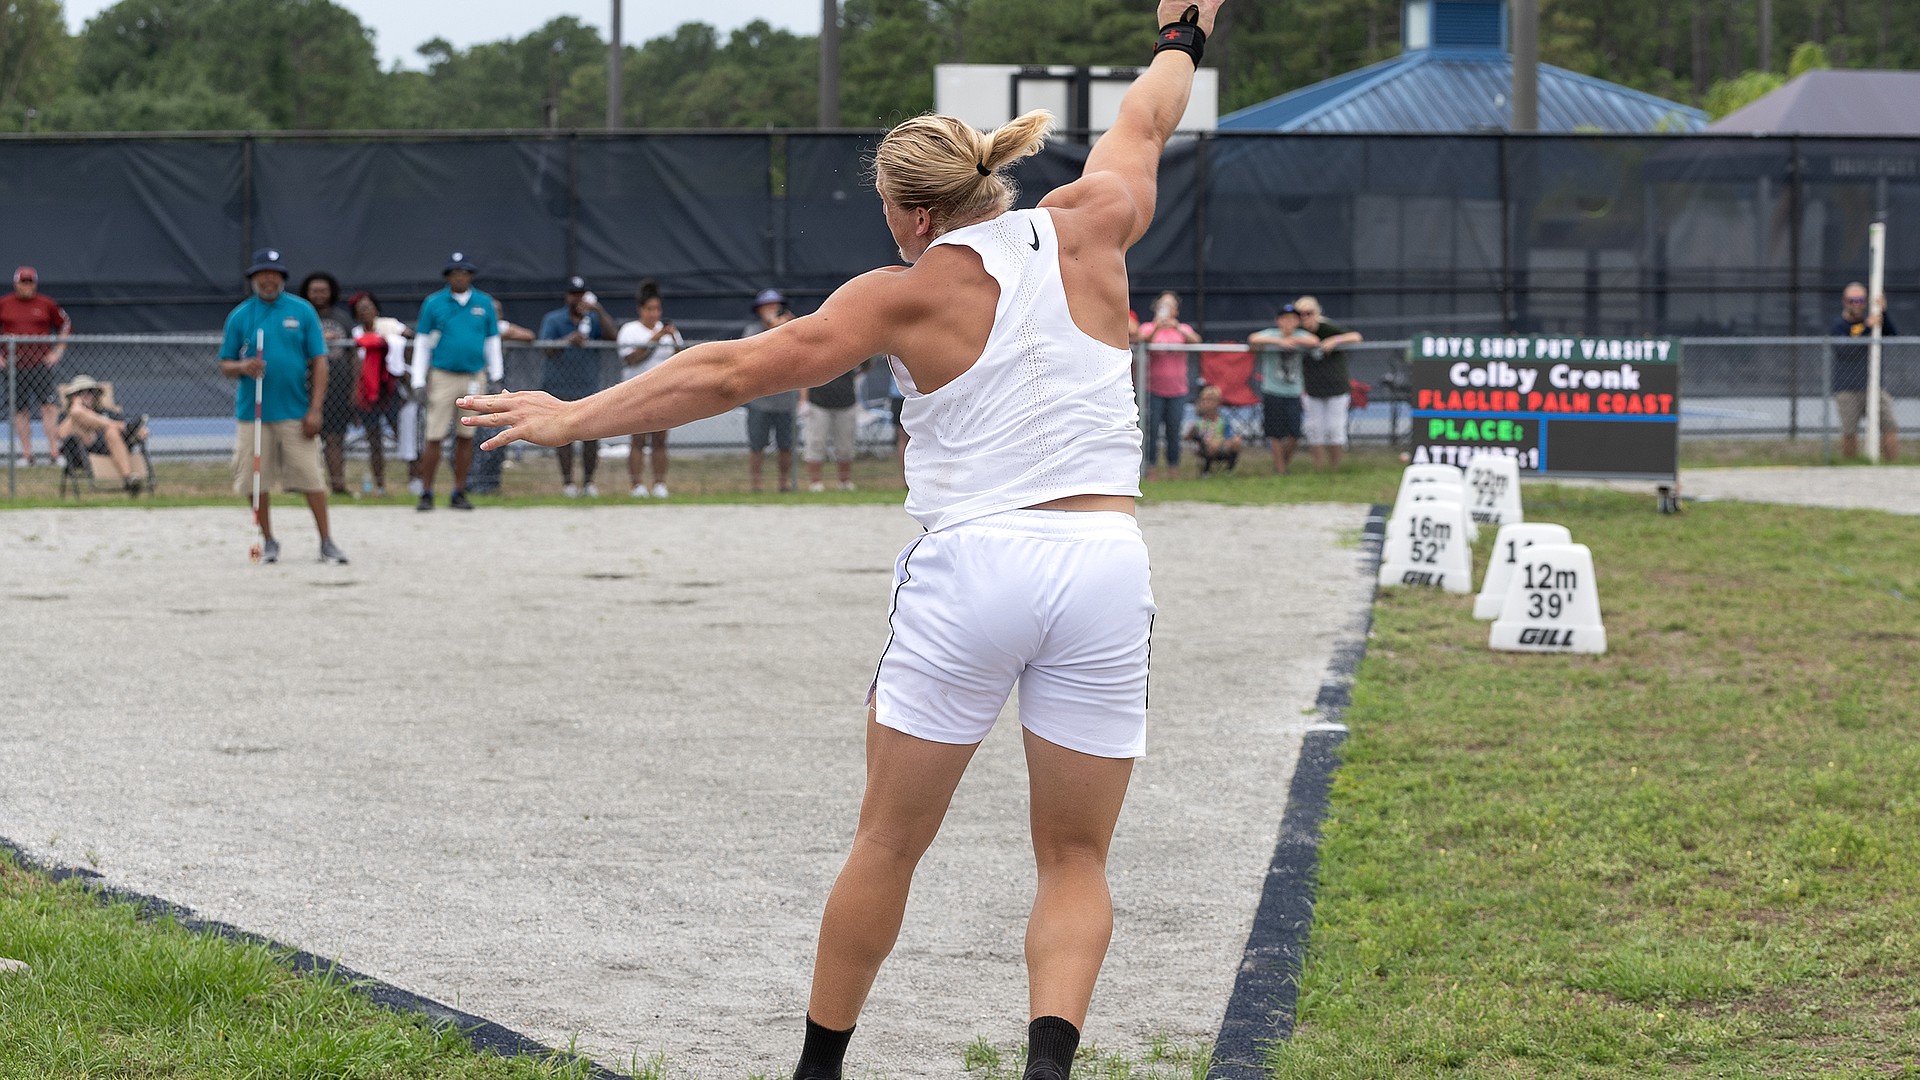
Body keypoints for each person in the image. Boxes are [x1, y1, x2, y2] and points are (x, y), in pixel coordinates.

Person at [457, 4, 1222, 1076]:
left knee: (890, 840)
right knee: (1075, 853)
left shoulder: (903, 292)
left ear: (913, 211)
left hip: (975, 566)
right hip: (1104, 561)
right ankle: (1048, 1065)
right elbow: (1144, 121)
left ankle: (821, 1067)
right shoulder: (1092, 221)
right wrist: (1183, 32)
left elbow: (728, 371)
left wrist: (572, 418)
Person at [218, 248, 348, 565]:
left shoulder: (302, 312)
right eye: (262, 274)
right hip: (254, 414)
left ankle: (326, 541)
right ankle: (269, 540)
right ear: (253, 279)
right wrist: (243, 366)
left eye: (274, 274)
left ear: (283, 278)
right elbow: (225, 364)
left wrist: (315, 409)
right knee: (253, 479)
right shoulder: (240, 315)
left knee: (311, 478)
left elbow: (319, 362)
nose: (268, 279)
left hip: (295, 412)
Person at [410, 252, 503, 511]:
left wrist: (496, 376)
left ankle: (459, 491)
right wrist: (418, 379)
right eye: (455, 273)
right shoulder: (434, 303)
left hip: (474, 375)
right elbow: (422, 343)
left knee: (467, 435)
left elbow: (492, 341)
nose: (459, 277)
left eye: (464, 273)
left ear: (470, 276)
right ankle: (426, 491)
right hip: (443, 375)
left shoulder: (483, 303)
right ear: (448, 277)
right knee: (434, 435)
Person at [538, 276, 617, 496]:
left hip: (588, 386)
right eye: (574, 294)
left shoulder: (592, 320)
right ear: (567, 297)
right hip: (559, 386)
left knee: (591, 434)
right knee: (563, 436)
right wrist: (567, 340)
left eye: (581, 294)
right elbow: (545, 348)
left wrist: (598, 310)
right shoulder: (553, 319)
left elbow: (613, 337)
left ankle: (589, 483)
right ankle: (568, 484)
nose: (578, 298)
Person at [615, 279, 682, 498]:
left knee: (660, 439)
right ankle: (637, 485)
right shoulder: (630, 330)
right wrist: (655, 339)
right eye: (649, 309)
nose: (654, 314)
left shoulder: (669, 331)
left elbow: (681, 359)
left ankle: (660, 483)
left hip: (664, 391)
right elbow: (631, 359)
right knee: (638, 439)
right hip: (637, 392)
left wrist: (673, 340)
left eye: (657, 309)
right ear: (640, 309)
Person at [1, 266, 73, 468]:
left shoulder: (46, 304)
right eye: (23, 282)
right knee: (20, 409)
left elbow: (65, 324)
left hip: (39, 365)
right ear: (16, 283)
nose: (26, 286)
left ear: (35, 283)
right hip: (14, 366)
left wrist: (58, 351)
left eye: (29, 282)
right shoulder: (5, 304)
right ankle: (26, 454)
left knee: (48, 407)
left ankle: (54, 452)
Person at [348, 292, 410, 497]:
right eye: (361, 308)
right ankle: (380, 486)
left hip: (389, 388)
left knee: (402, 434)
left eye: (368, 307)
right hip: (367, 392)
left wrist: (389, 341)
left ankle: (415, 481)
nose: (365, 311)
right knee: (374, 439)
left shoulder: (389, 325)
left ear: (375, 308)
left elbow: (409, 335)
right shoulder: (356, 332)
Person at [1132, 290, 1199, 480]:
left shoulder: (1183, 328)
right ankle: (1151, 468)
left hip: (1178, 390)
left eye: (1170, 306)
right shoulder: (1147, 327)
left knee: (1173, 430)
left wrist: (1176, 328)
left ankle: (1173, 469)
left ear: (1176, 310)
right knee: (1151, 430)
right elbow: (1142, 339)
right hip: (1152, 390)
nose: (1166, 310)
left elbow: (1196, 341)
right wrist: (1157, 327)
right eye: (1163, 305)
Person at [301, 271, 356, 495]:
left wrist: (355, 387)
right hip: (306, 386)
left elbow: (354, 354)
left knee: (335, 437)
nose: (319, 295)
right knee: (305, 437)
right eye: (315, 291)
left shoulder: (342, 318)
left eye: (323, 290)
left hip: (339, 388)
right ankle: (304, 484)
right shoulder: (303, 316)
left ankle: (338, 484)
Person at [1294, 295, 1363, 471]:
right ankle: (1317, 467)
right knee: (1315, 428)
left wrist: (1335, 340)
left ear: (1316, 313)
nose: (1304, 317)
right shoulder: (1297, 331)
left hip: (1336, 386)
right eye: (1300, 314)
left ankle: (1334, 468)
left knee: (1335, 428)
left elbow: (1355, 336)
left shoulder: (1327, 327)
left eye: (1309, 313)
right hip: (1313, 387)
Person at [1832, 282, 1899, 462]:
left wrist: (1883, 312)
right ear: (1844, 301)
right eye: (1852, 300)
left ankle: (1892, 465)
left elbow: (1892, 334)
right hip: (1847, 388)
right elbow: (1846, 350)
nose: (1856, 303)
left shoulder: (1872, 323)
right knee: (1849, 431)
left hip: (1873, 385)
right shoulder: (1840, 325)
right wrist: (1867, 328)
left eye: (1860, 299)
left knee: (1889, 425)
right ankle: (1850, 465)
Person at [1247, 303, 1315, 474]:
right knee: (1275, 433)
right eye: (1285, 319)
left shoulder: (1300, 335)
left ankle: (1282, 464)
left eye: (1293, 319)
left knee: (1295, 433)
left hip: (1293, 392)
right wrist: (1279, 341)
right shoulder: (1272, 333)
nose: (1289, 322)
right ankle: (1281, 468)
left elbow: (1314, 341)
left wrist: (1294, 340)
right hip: (1272, 391)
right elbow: (1253, 339)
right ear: (1278, 320)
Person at [742, 288, 798, 492]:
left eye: (777, 305)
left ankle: (784, 483)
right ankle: (756, 484)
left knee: (786, 445)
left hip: (785, 400)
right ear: (759, 310)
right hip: (760, 400)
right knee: (757, 445)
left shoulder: (791, 329)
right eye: (769, 305)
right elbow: (754, 355)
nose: (773, 308)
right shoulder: (753, 330)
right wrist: (774, 328)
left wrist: (792, 326)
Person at [54, 374, 146, 494]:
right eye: (81, 392)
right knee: (79, 416)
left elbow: (134, 427)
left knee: (112, 431)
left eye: (89, 391)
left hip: (112, 447)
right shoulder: (69, 417)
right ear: (74, 396)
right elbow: (60, 434)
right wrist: (76, 407)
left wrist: (140, 430)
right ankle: (116, 427)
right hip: (84, 452)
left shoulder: (106, 412)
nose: (86, 394)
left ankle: (128, 478)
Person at [803, 356, 870, 492]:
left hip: (846, 402)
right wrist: (803, 400)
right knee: (816, 442)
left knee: (845, 445)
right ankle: (815, 483)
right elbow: (805, 371)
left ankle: (844, 481)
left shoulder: (850, 344)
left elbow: (866, 364)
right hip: (819, 402)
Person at [1185, 384, 1241, 475]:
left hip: (1221, 445)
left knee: (1237, 441)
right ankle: (1206, 471)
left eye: (1210, 401)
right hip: (1204, 447)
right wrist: (1192, 431)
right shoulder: (1199, 423)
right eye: (1205, 401)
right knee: (1210, 445)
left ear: (1218, 403)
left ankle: (1229, 470)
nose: (1207, 404)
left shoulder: (1223, 421)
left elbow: (1229, 436)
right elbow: (1187, 438)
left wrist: (1222, 443)